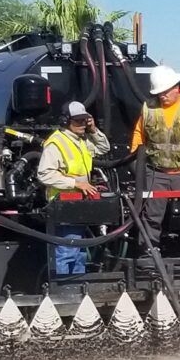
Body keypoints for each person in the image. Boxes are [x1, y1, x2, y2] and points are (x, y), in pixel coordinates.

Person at [37, 102, 108, 276]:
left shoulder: (80, 141)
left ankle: (78, 285)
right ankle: (64, 287)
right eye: (78, 121)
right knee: (67, 252)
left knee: (79, 253)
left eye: (84, 120)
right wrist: (76, 184)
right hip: (63, 205)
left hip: (78, 205)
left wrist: (93, 130)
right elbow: (44, 174)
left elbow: (103, 148)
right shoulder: (56, 143)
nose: (82, 124)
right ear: (65, 121)